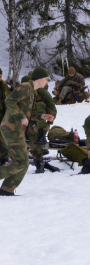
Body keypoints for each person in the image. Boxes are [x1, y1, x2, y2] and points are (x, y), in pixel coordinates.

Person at [1, 67, 52, 196]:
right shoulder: (25, 87)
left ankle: (6, 190)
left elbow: (28, 113)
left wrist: (42, 116)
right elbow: (9, 100)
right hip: (12, 128)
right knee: (21, 162)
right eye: (46, 79)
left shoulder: (32, 92)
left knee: (23, 163)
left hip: (17, 129)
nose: (47, 82)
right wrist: (20, 116)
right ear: (39, 78)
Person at [23, 75, 58, 173]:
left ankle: (39, 164)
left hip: (39, 123)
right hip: (24, 122)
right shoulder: (21, 94)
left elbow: (52, 108)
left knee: (39, 106)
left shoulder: (42, 93)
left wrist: (49, 122)